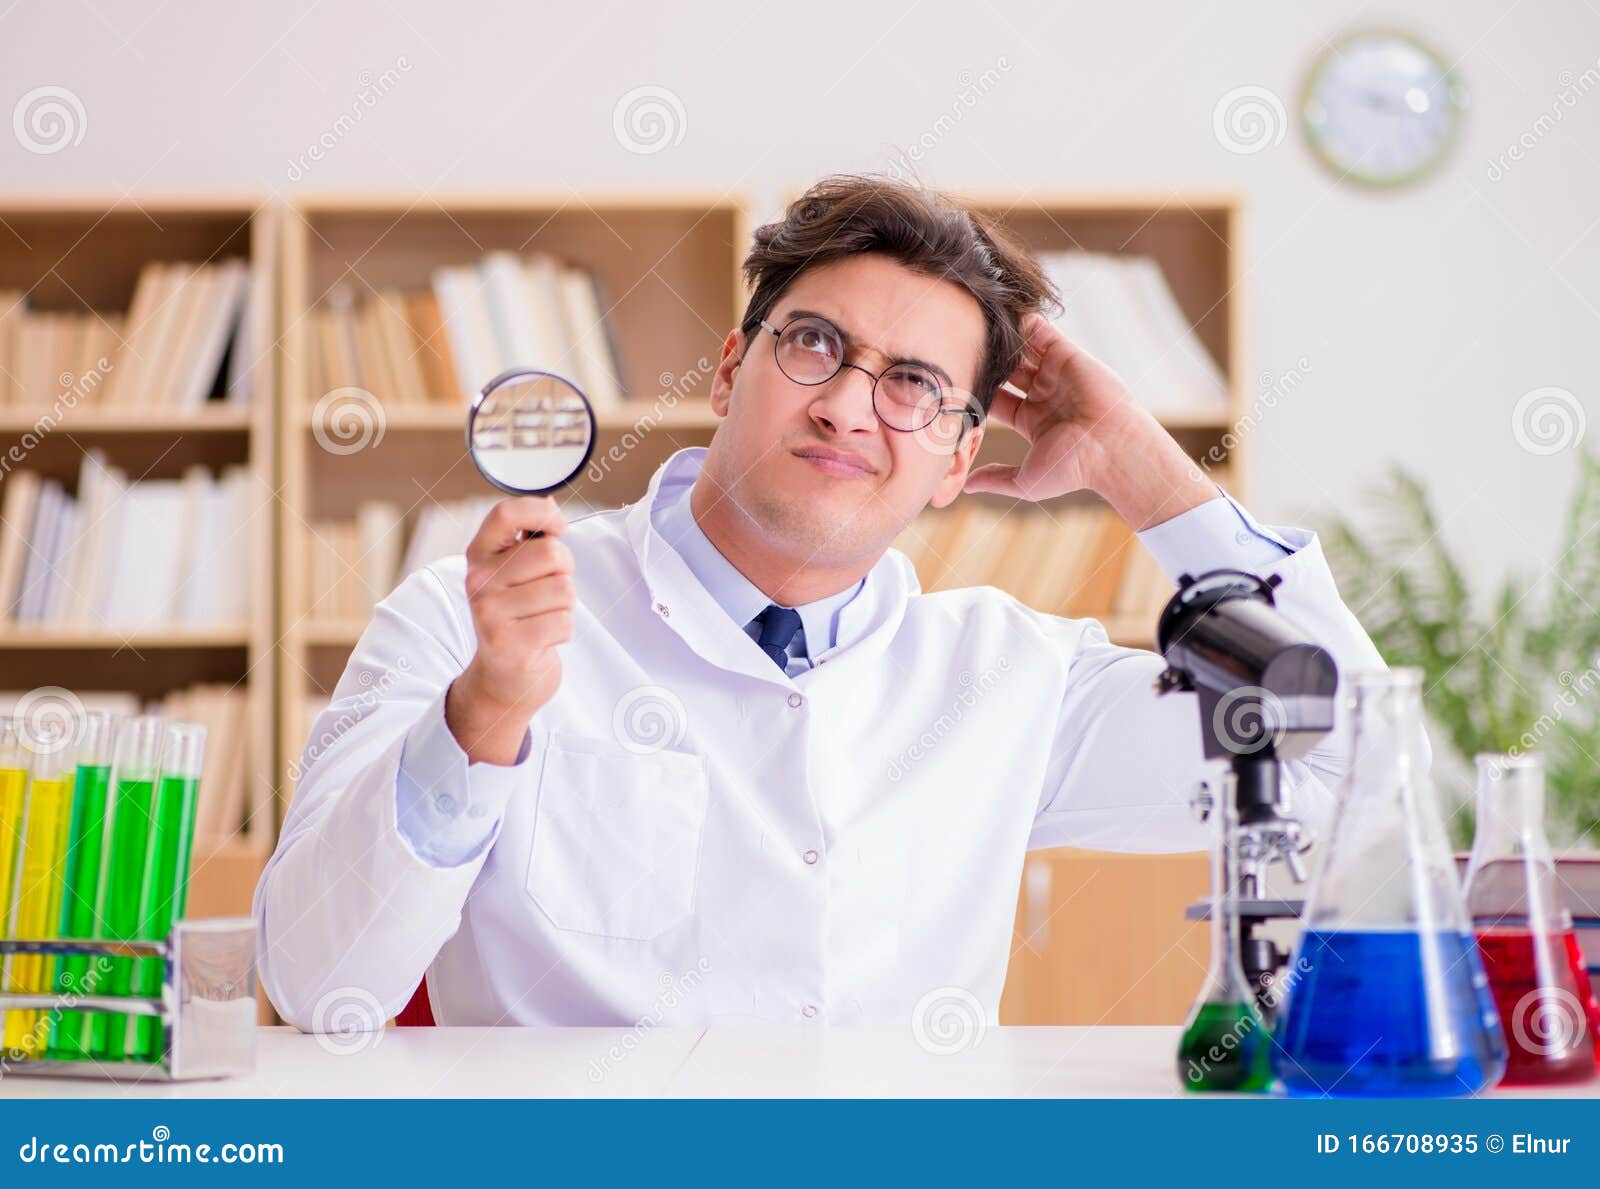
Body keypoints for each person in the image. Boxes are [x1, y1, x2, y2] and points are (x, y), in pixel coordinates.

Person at [255, 174, 1384, 1031]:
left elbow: (1350, 765)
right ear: (728, 370)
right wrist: (488, 714)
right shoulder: (467, 624)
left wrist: (1141, 465)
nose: (849, 405)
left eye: (914, 385)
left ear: (956, 459)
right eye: (815, 345)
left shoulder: (1009, 677)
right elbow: (317, 988)